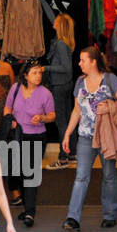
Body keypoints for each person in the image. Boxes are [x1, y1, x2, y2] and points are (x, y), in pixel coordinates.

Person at [61, 47, 117, 232]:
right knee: (80, 177)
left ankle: (110, 214)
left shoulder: (110, 79)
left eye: (83, 60)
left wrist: (109, 107)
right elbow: (77, 110)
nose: (79, 63)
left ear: (93, 62)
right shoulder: (79, 82)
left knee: (108, 175)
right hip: (84, 137)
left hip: (105, 136)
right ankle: (73, 218)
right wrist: (67, 134)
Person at [1, 60, 54, 227]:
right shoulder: (15, 88)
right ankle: (26, 206)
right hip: (17, 136)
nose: (38, 76)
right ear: (25, 75)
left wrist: (43, 118)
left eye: (40, 72)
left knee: (30, 174)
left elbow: (52, 115)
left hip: (36, 137)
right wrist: (10, 120)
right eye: (34, 73)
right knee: (15, 173)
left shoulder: (45, 93)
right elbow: (7, 108)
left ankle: (30, 212)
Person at [45, 13, 76, 168]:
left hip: (59, 86)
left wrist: (46, 68)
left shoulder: (61, 44)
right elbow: (52, 16)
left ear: (60, 24)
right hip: (66, 84)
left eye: (57, 20)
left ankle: (63, 157)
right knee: (69, 119)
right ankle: (72, 152)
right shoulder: (64, 42)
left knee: (62, 121)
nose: (54, 20)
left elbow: (65, 68)